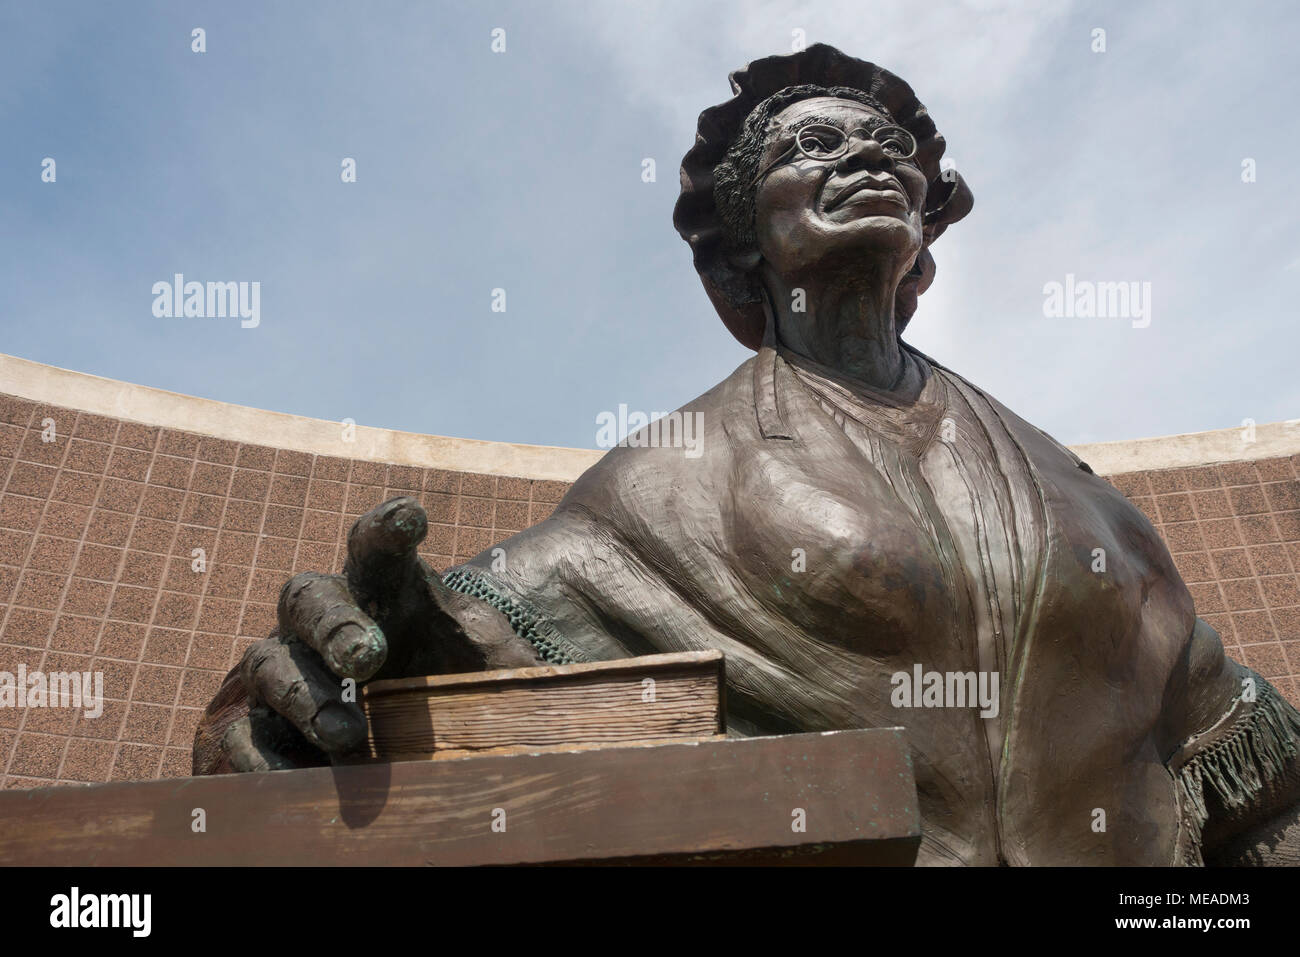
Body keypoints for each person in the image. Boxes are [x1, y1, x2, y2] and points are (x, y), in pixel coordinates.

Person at [194, 44, 1300, 866]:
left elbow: (1242, 765)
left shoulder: (1076, 493)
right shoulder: (663, 484)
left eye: (889, 148)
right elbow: (477, 638)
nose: (867, 153)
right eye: (812, 144)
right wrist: (339, 674)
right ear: (745, 239)